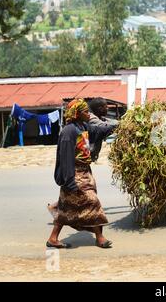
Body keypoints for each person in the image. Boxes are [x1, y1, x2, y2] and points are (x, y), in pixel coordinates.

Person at [46, 99, 113, 249]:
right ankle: (100, 237)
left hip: (85, 171)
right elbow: (65, 158)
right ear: (76, 113)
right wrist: (69, 181)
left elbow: (99, 131)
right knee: (93, 201)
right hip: (74, 174)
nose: (88, 114)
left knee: (65, 209)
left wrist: (116, 126)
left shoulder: (83, 126)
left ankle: (53, 238)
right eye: (85, 112)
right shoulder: (68, 131)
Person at [88, 97, 119, 162]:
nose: (108, 109)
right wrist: (120, 124)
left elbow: (110, 121)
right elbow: (105, 126)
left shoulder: (99, 118)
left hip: (91, 155)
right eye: (106, 107)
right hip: (86, 154)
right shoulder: (91, 118)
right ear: (100, 109)